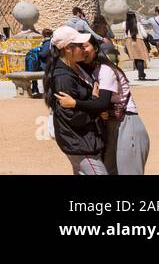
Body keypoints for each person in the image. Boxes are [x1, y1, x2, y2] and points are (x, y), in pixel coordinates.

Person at [56, 41, 150, 175]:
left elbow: (102, 103)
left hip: (127, 124)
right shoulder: (86, 71)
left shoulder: (105, 69)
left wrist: (75, 103)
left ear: (95, 48)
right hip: (111, 125)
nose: (83, 50)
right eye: (79, 47)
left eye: (86, 46)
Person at [42, 26, 108, 175]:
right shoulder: (63, 77)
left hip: (84, 138)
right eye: (79, 46)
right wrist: (95, 107)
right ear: (67, 48)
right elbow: (70, 115)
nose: (83, 49)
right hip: (79, 141)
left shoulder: (76, 67)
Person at [123, 12, 149, 81]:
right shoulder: (138, 24)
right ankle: (141, 75)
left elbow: (124, 34)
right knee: (140, 58)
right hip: (138, 41)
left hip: (129, 42)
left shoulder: (124, 24)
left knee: (135, 58)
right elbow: (145, 35)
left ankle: (141, 74)